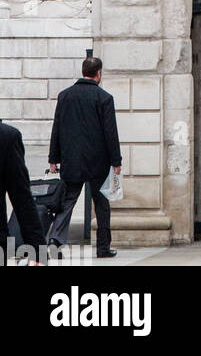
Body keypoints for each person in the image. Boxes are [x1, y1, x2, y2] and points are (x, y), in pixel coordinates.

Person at [48, 56, 123, 259]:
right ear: (98, 73)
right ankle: (103, 247)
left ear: (83, 72)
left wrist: (53, 158)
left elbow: (57, 128)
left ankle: (55, 240)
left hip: (71, 160)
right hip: (98, 161)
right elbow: (110, 133)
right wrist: (116, 161)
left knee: (67, 203)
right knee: (102, 205)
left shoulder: (65, 96)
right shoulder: (104, 98)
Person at [0, 121, 46, 265]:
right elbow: (22, 199)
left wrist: (38, 252)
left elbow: (22, 199)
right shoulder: (7, 136)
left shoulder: (6, 137)